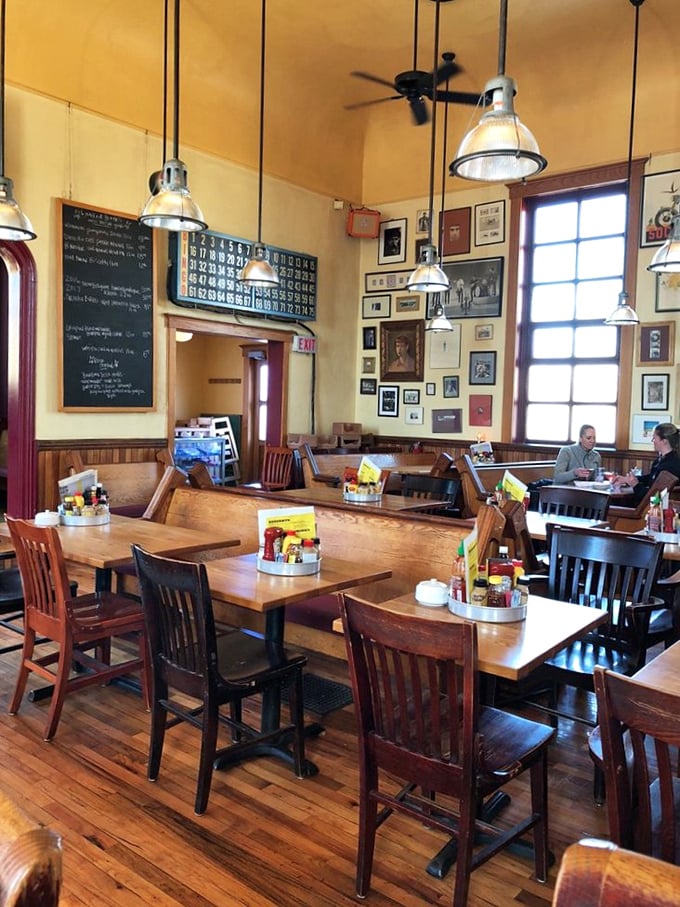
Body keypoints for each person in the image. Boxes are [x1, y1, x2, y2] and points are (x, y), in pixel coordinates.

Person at [612, 421, 680, 503]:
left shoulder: (671, 466)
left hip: (651, 510)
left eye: (654, 438)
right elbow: (651, 478)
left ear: (664, 441)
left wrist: (636, 485)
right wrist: (628, 480)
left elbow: (656, 499)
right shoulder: (662, 460)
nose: (652, 441)